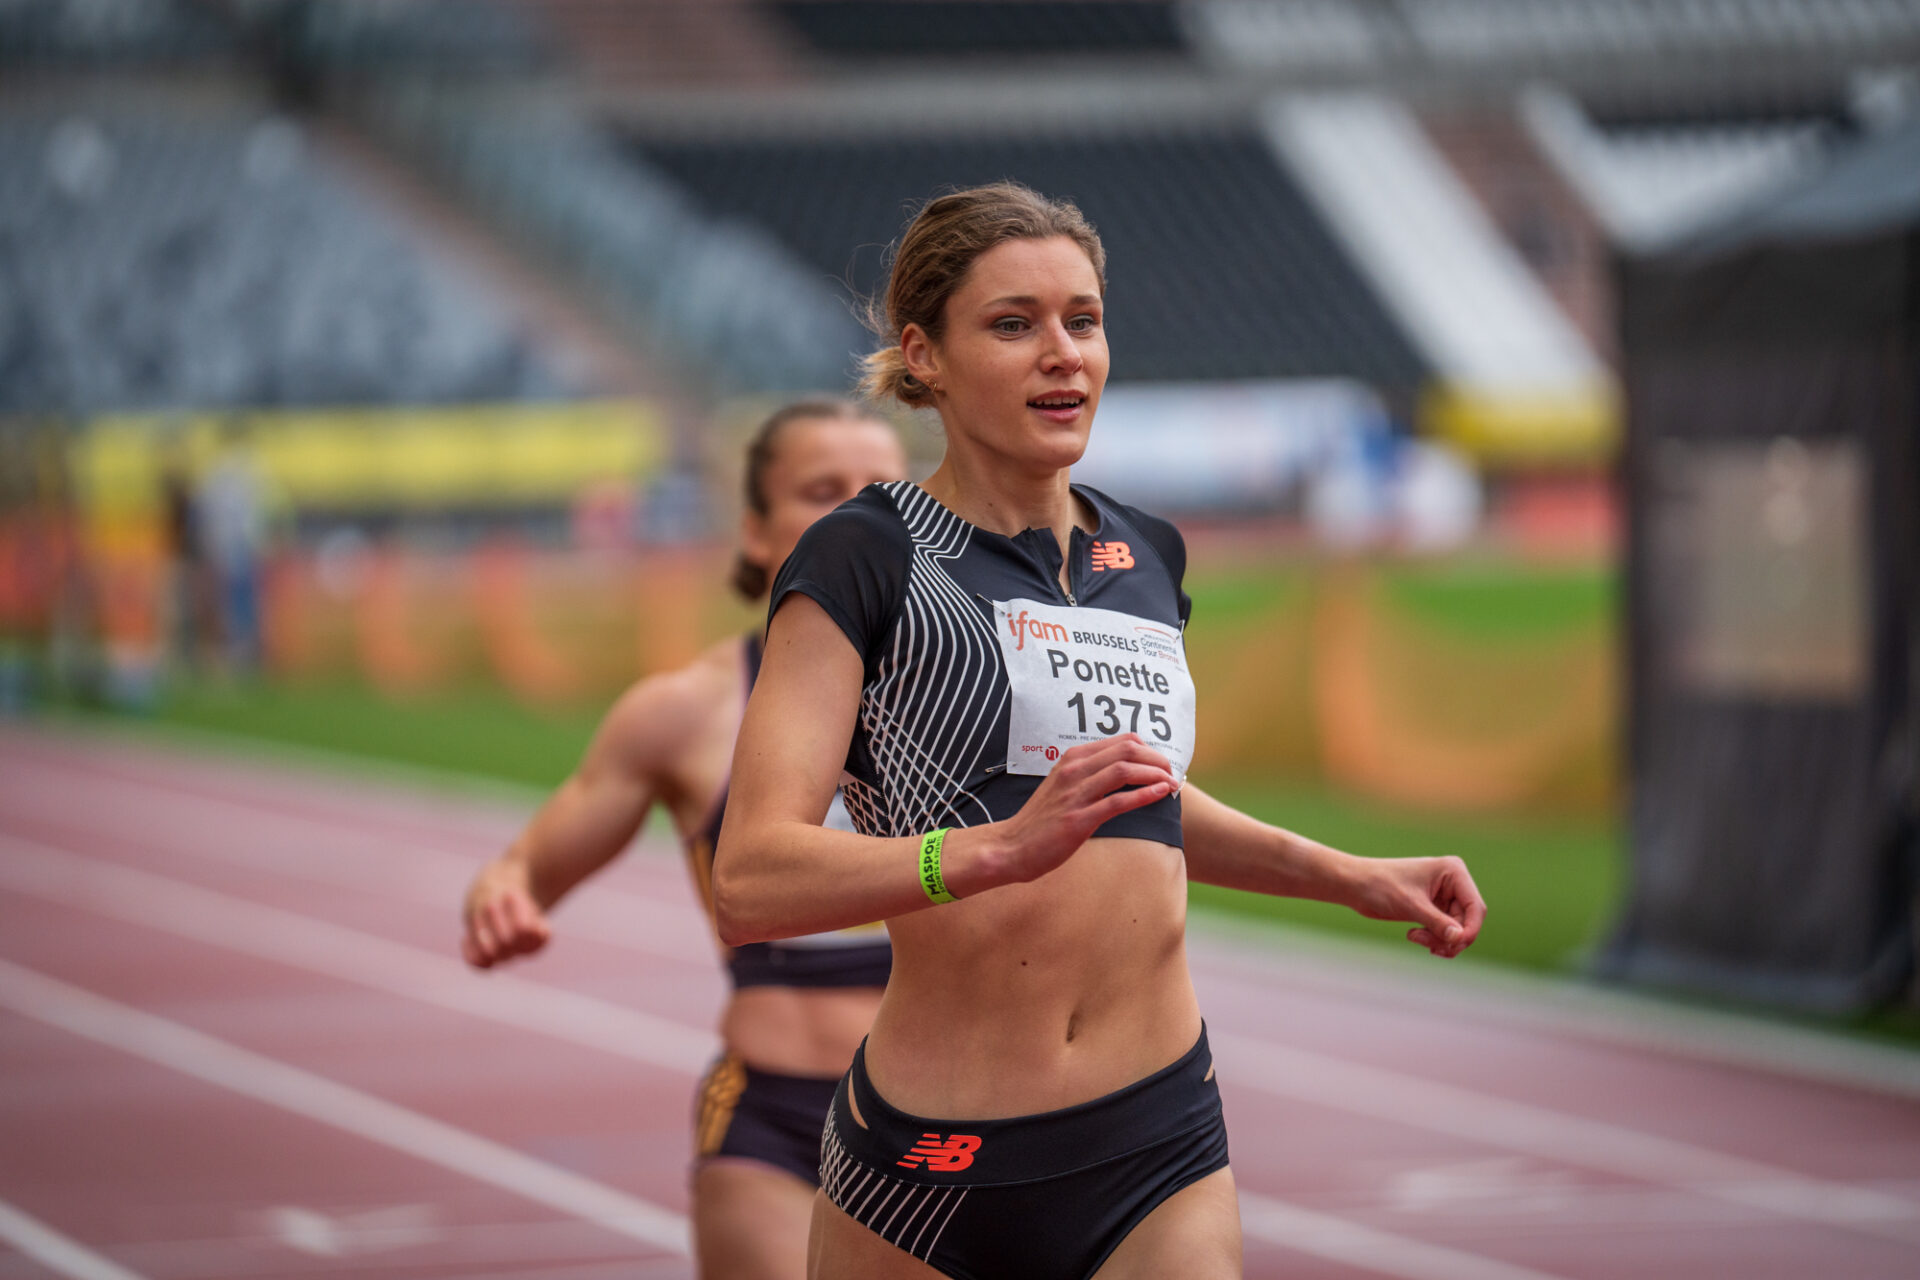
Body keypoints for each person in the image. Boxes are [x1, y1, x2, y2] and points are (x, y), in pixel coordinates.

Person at [713, 183, 1487, 1280]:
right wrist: (993, 849)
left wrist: (1351, 874)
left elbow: (1143, 801)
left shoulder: (1149, 553)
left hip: (1156, 1138)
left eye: (1083, 318)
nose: (1063, 353)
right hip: (932, 1169)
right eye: (1014, 323)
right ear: (924, 356)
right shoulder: (864, 557)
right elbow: (750, 877)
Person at [459, 400, 909, 1279]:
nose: (860, 514)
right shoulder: (686, 713)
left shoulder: (997, 696)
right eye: (825, 491)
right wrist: (500, 894)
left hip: (967, 1120)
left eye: (884, 492)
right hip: (777, 1124)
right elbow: (526, 867)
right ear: (753, 532)